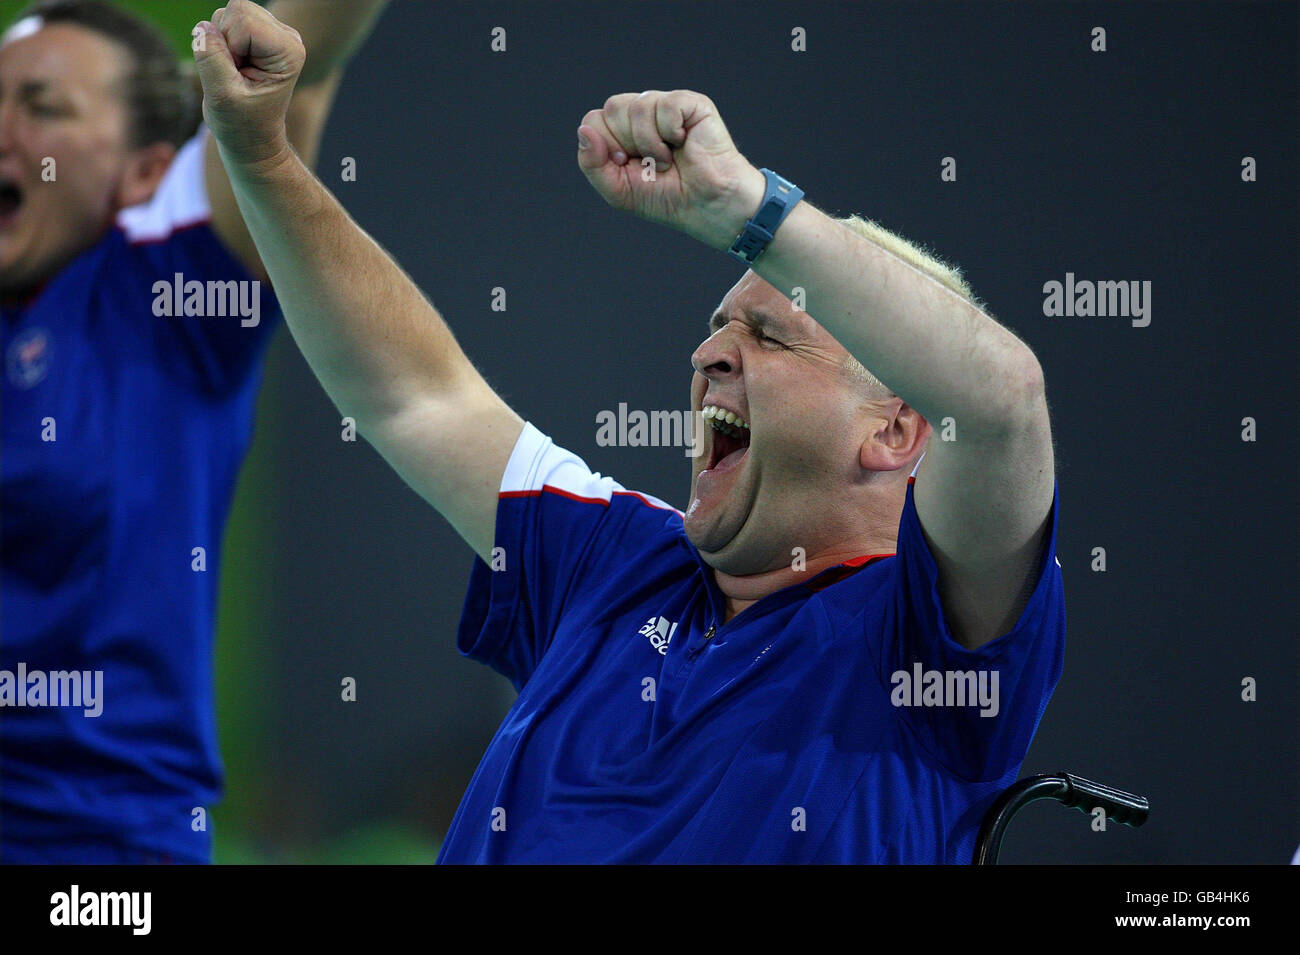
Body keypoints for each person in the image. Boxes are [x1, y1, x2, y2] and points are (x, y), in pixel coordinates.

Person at [194, 5, 1064, 863]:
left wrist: (747, 208)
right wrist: (261, 156)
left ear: (898, 426)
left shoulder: (931, 640)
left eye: (769, 333)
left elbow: (1001, 403)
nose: (709, 353)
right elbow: (413, 395)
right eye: (722, 324)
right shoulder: (616, 556)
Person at [0, 0, 387, 864]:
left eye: (42, 106)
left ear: (143, 171)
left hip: (96, 864)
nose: (3, 129)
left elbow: (301, 59)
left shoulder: (166, 296)